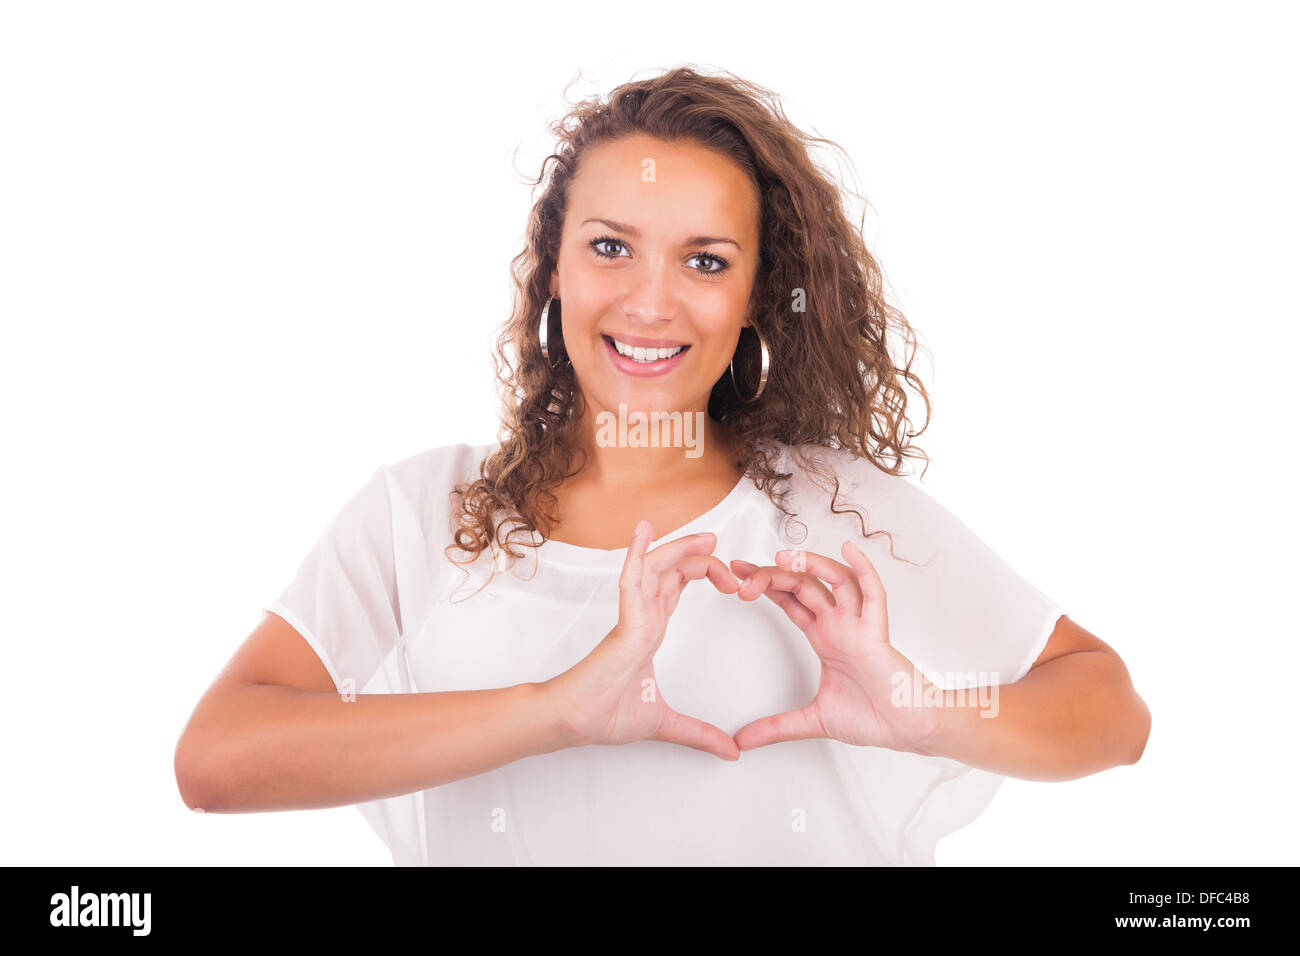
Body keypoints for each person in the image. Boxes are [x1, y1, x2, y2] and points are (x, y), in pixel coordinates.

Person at [173, 66, 1151, 866]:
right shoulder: (421, 510)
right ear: (552, 266)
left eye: (705, 261)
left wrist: (925, 708)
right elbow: (217, 758)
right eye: (610, 247)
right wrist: (559, 708)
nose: (650, 303)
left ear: (757, 295)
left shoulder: (831, 507)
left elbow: (1109, 707)